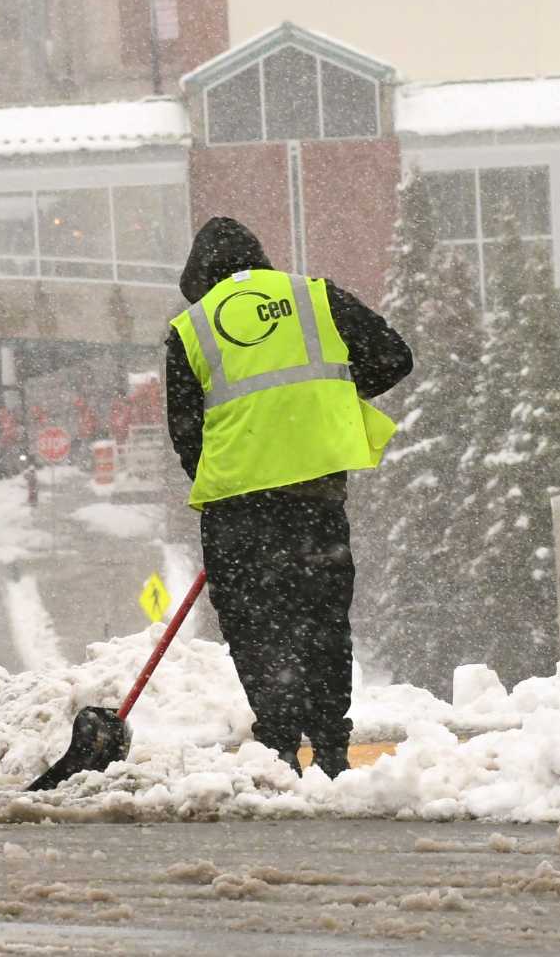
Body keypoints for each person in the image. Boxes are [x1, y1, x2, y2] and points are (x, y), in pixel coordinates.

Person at [165, 217, 412, 777]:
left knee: (254, 626)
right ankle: (329, 747)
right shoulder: (313, 297)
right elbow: (394, 357)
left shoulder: (192, 328)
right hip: (314, 500)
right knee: (321, 620)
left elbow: (186, 434)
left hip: (237, 512)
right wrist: (324, 401)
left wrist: (230, 480)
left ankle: (277, 748)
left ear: (199, 279)